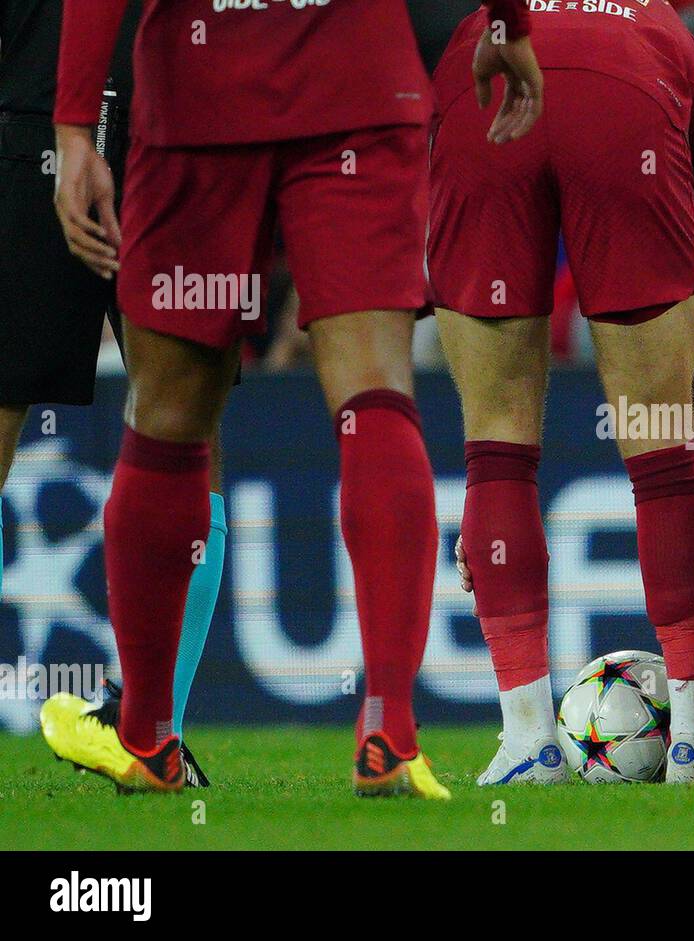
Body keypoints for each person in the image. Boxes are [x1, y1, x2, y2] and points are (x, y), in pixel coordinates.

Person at [39, 0, 543, 798]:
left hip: (201, 96)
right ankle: (389, 725)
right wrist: (508, 22)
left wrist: (74, 129)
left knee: (168, 416)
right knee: (375, 389)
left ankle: (144, 735)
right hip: (358, 82)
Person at [431, 1, 694, 785]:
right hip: (628, 99)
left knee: (496, 451)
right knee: (661, 451)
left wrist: (491, 530)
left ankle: (525, 744)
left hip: (477, 82)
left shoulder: (482, 18)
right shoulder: (682, 48)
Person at [0, 0, 219, 786]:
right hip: (176, 109)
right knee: (190, 433)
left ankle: (152, 732)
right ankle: (158, 732)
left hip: (44, 106)